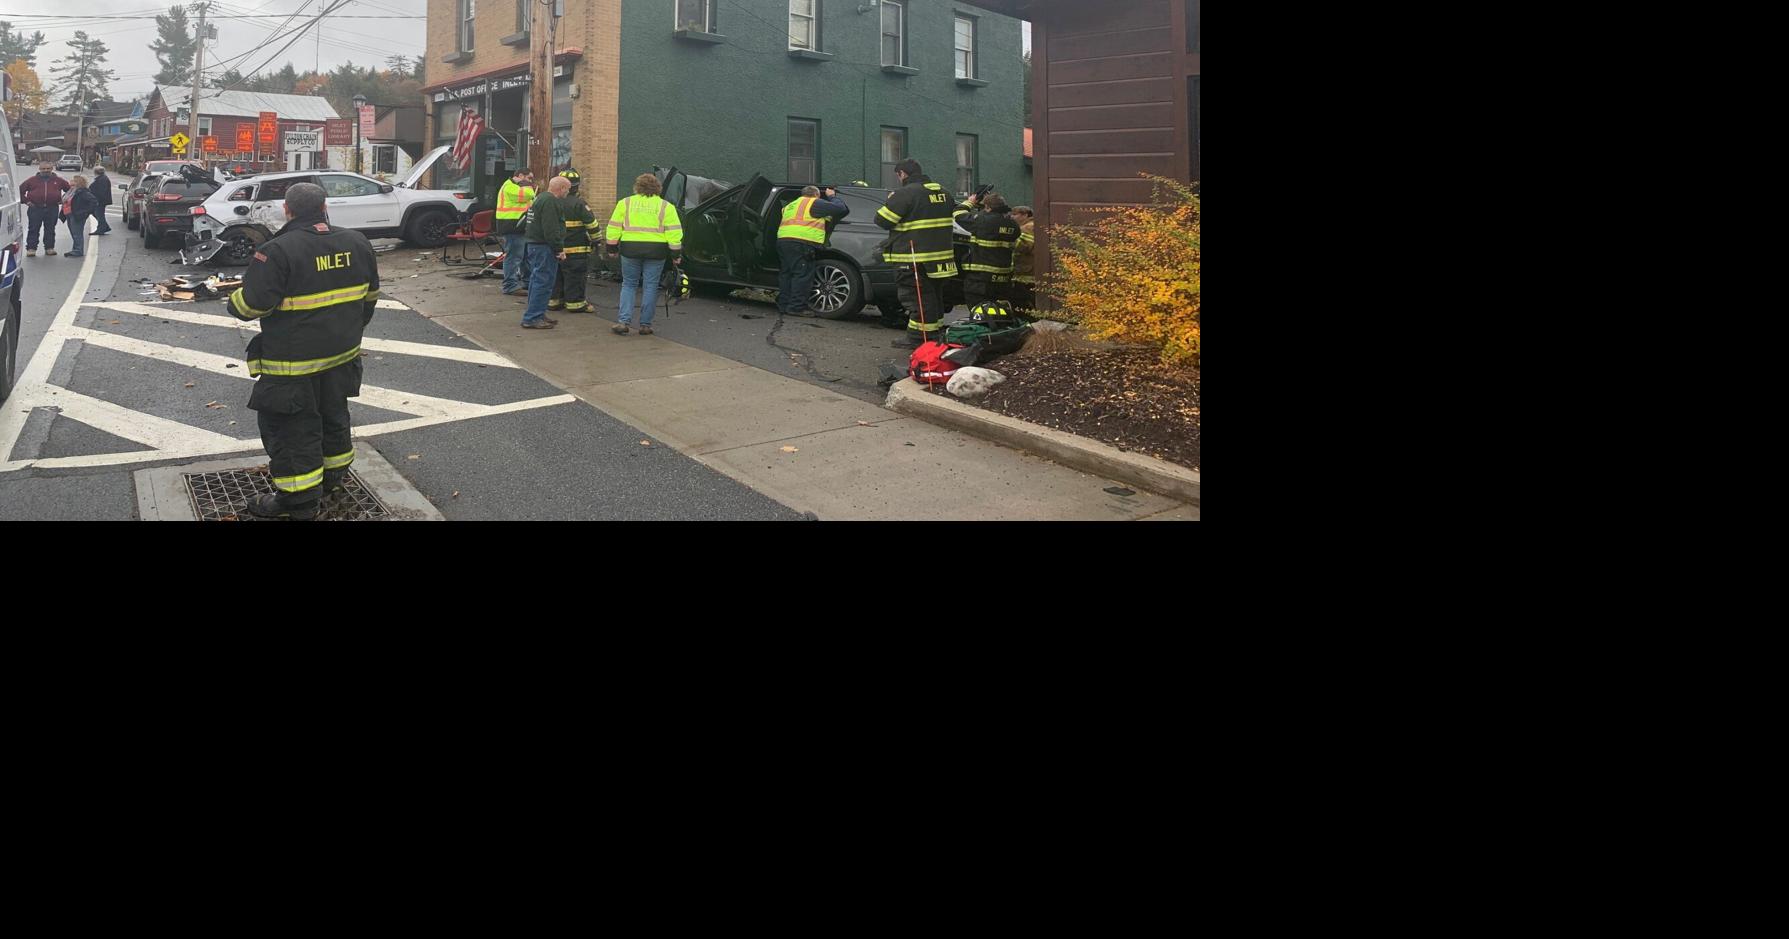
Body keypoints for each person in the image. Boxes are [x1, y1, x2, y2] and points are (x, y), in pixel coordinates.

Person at [225, 183, 380, 520]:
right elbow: (369, 300)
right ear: (325, 207)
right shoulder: (357, 242)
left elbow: (249, 307)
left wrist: (233, 299)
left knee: (292, 431)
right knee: (333, 416)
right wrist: (346, 334)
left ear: (287, 210)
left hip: (291, 366)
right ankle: (332, 478)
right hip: (342, 357)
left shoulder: (276, 251)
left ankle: (297, 503)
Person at [873, 159, 958, 347]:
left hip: (913, 257)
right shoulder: (944, 193)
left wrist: (889, 201)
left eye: (898, 176)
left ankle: (918, 338)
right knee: (934, 297)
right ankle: (934, 335)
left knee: (917, 299)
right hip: (940, 258)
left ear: (903, 174)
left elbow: (882, 220)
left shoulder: (906, 193)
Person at [604, 172, 683, 336]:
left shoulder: (625, 203)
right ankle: (645, 325)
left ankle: (623, 321)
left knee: (629, 284)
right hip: (656, 251)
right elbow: (674, 232)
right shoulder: (665, 206)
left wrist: (611, 248)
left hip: (630, 249)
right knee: (651, 286)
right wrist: (676, 255)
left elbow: (614, 227)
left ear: (637, 187)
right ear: (658, 188)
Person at [776, 185, 849, 316]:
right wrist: (832, 196)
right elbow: (840, 208)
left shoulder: (790, 205)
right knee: (802, 275)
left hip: (783, 241)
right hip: (801, 242)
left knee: (786, 274)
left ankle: (784, 305)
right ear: (816, 195)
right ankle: (796, 308)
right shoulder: (814, 203)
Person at [952, 190, 1021, 309]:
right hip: (1003, 278)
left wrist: (970, 202)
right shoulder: (1013, 225)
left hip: (980, 280)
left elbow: (958, 214)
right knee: (999, 312)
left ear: (988, 207)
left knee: (980, 312)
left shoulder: (982, 221)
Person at [521, 175, 573, 329]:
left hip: (535, 245)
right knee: (543, 282)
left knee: (537, 280)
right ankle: (533, 317)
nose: (567, 193)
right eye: (567, 189)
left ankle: (537, 313)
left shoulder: (541, 198)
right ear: (562, 188)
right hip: (544, 247)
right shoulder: (550, 201)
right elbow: (551, 229)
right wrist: (559, 249)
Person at [548, 168, 597, 314]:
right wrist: (597, 241)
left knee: (556, 276)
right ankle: (575, 303)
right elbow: (592, 225)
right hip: (576, 250)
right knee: (575, 277)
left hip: (555, 248)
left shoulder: (550, 201)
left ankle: (554, 302)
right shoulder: (579, 203)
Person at [495, 167, 536, 295]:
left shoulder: (517, 187)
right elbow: (530, 195)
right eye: (529, 178)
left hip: (520, 226)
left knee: (525, 257)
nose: (531, 181)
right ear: (520, 175)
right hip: (512, 226)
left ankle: (527, 282)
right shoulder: (509, 186)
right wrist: (527, 184)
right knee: (514, 257)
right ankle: (510, 285)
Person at [20, 161, 70, 257]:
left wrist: (63, 199)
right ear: (39, 169)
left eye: (48, 169)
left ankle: (49, 248)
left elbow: (70, 190)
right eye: (43, 169)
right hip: (35, 208)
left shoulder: (59, 180)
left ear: (52, 169)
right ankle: (31, 248)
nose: (45, 170)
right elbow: (19, 191)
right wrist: (27, 201)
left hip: (52, 208)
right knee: (33, 228)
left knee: (50, 229)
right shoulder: (31, 180)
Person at [62, 176, 99, 257]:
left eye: (74, 181)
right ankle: (75, 249)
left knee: (77, 233)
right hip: (69, 214)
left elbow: (93, 201)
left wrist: (85, 212)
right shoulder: (71, 191)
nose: (71, 182)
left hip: (77, 215)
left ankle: (78, 250)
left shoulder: (83, 192)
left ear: (79, 183)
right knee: (73, 232)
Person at [1010, 204, 1036, 310]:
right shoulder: (1029, 226)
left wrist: (1007, 241)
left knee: (1024, 299)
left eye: (1014, 214)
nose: (1012, 217)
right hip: (1026, 270)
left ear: (1025, 215)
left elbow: (1023, 246)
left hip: (1026, 271)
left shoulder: (1028, 227)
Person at [89, 166, 114, 235]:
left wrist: (96, 199)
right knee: (96, 213)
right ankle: (104, 226)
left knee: (99, 214)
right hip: (100, 200)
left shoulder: (102, 179)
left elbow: (101, 191)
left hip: (100, 201)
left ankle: (101, 228)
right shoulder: (101, 178)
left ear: (96, 172)